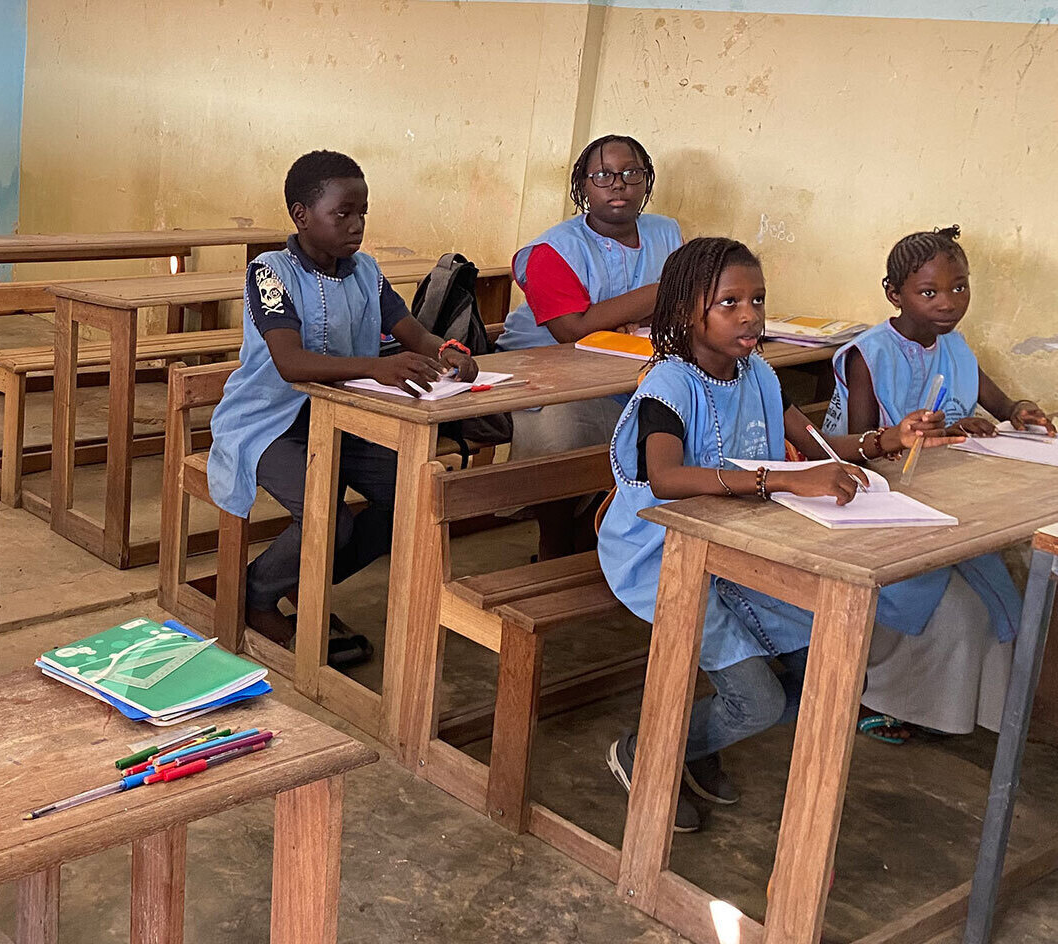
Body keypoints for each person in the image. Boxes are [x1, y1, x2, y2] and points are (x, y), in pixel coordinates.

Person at [595, 238, 960, 832]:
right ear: (689, 309)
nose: (750, 315)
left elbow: (816, 447)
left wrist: (888, 440)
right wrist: (776, 481)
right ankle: (644, 752)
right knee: (759, 702)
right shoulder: (669, 385)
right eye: (730, 302)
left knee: (831, 671)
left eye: (758, 299)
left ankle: (692, 742)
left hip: (741, 548)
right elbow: (664, 478)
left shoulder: (757, 373)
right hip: (661, 554)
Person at [207, 150, 476, 667]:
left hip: (346, 418)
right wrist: (373, 368)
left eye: (363, 214)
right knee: (330, 517)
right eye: (342, 213)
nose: (356, 226)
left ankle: (304, 583)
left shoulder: (366, 272)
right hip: (271, 423)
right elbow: (287, 361)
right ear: (301, 215)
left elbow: (410, 330)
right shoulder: (269, 273)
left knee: (409, 497)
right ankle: (256, 593)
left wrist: (445, 350)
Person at [821, 225, 1047, 742]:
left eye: (959, 287)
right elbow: (860, 444)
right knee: (955, 613)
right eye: (929, 292)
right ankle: (879, 695)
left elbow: (994, 402)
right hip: (879, 504)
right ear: (893, 294)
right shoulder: (867, 355)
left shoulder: (954, 343)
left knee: (1002, 602)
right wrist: (920, 434)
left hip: (944, 493)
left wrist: (1017, 410)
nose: (948, 303)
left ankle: (967, 709)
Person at [498, 136, 684, 558]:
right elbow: (571, 330)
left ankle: (601, 533)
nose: (617, 184)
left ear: (646, 180)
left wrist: (634, 311)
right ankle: (555, 540)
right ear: (583, 186)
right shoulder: (552, 251)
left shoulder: (665, 231)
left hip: (625, 365)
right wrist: (663, 290)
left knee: (677, 414)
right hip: (543, 373)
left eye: (630, 173)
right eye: (602, 175)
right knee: (563, 430)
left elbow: (680, 308)